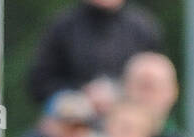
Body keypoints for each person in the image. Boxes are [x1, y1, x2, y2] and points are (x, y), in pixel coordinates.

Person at [26, 0, 163, 106]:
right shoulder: (63, 27)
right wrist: (80, 93)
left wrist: (119, 94)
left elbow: (157, 83)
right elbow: (39, 82)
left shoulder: (142, 27)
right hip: (75, 122)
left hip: (131, 121)